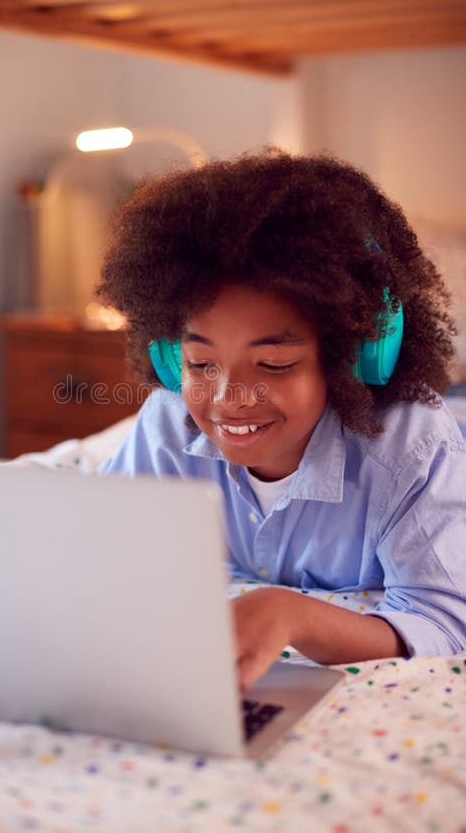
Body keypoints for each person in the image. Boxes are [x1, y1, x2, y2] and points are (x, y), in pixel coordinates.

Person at [96, 149, 466, 690]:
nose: (229, 397)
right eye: (200, 363)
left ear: (350, 356)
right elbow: (103, 560)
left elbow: (444, 623)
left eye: (273, 364)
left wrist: (292, 615)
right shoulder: (166, 426)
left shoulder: (409, 447)